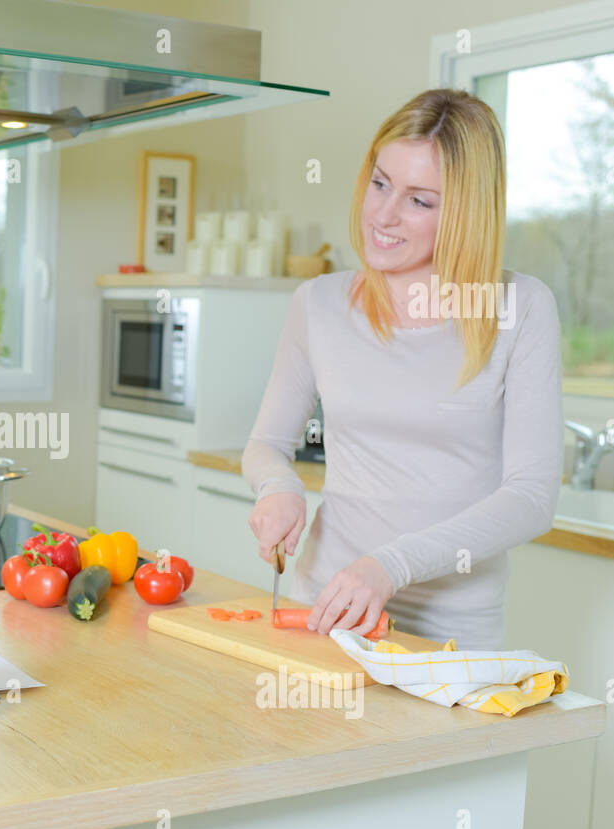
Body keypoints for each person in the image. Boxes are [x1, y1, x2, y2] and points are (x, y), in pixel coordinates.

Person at [242, 89, 564, 651]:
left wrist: (391, 565)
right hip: (326, 608)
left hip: (453, 630)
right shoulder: (317, 304)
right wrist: (277, 487)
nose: (384, 216)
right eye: (380, 183)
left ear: (466, 211)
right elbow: (267, 443)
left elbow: (533, 497)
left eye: (420, 201)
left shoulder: (522, 308)